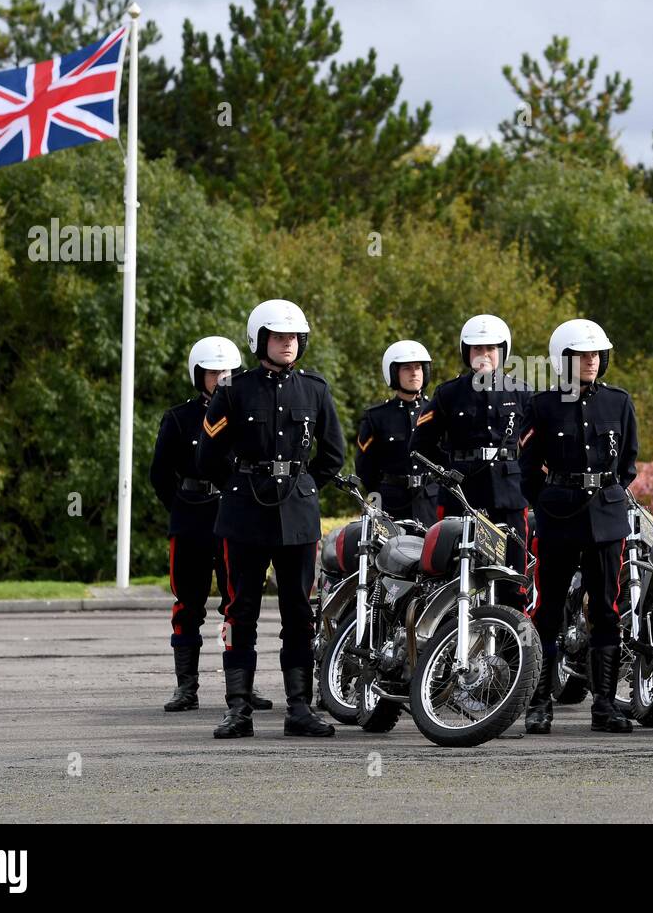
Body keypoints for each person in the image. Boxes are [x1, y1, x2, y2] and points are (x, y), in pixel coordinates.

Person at [197, 299, 346, 739]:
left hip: (297, 516)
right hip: (244, 514)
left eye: (295, 338)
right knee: (239, 611)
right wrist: (241, 484)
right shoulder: (232, 391)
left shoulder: (315, 389)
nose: (289, 345)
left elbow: (333, 454)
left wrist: (302, 486)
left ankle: (298, 709)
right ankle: (238, 710)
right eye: (280, 337)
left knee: (299, 612)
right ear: (259, 340)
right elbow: (208, 457)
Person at [519, 319, 638, 734]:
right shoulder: (541, 406)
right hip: (558, 518)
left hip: (605, 518)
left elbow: (627, 466)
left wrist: (606, 495)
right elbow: (528, 470)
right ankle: (539, 703)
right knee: (548, 610)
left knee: (606, 610)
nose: (591, 361)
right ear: (563, 360)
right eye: (582, 355)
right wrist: (551, 501)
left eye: (595, 355)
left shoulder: (619, 403)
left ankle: (604, 705)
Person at [150, 336, 274, 712]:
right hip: (190, 519)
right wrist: (181, 509)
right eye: (212, 372)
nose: (221, 378)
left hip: (233, 516)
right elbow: (159, 474)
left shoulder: (244, 414)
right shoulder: (178, 418)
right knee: (187, 604)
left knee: (237, 605)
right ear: (198, 375)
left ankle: (241, 685)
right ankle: (186, 688)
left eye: (227, 372)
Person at [411, 314, 532, 587]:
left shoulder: (522, 393)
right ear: (467, 352)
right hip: (461, 495)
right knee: (455, 576)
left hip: (510, 495)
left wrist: (530, 481)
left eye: (490, 348)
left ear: (502, 351)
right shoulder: (449, 394)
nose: (484, 354)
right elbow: (420, 444)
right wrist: (448, 470)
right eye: (477, 348)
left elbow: (537, 448)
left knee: (513, 579)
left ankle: (510, 626)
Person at [353, 340, 437, 526]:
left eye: (418, 367)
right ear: (393, 373)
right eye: (407, 368)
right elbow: (365, 467)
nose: (414, 373)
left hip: (430, 503)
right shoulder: (376, 416)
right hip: (391, 504)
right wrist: (380, 497)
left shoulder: (436, 412)